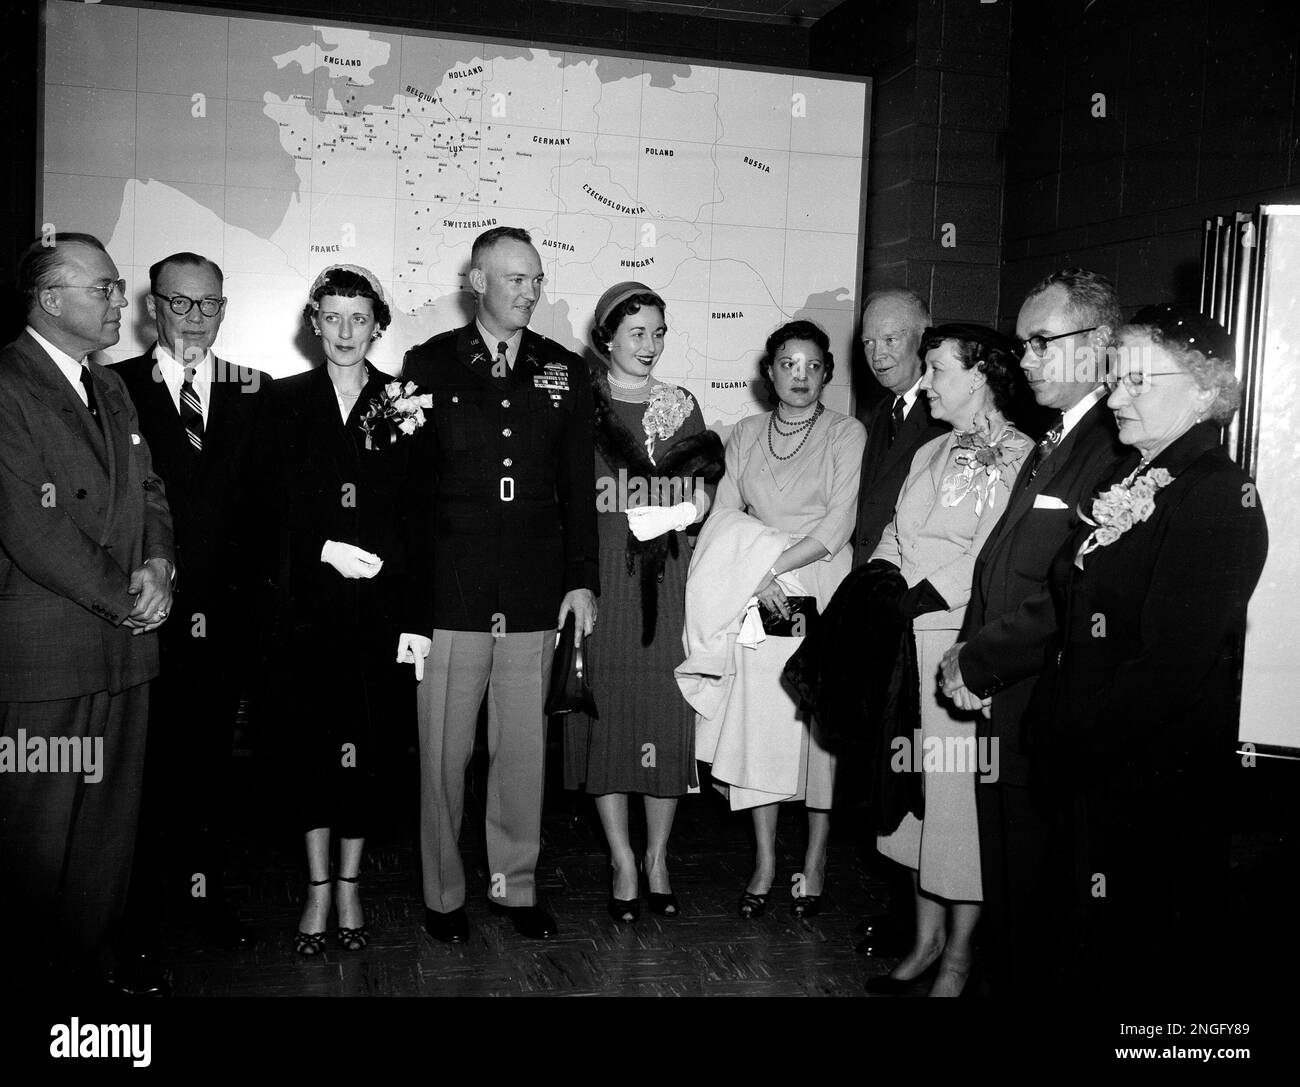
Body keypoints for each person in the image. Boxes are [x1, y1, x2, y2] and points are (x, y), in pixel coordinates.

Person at [1025, 304, 1267, 996]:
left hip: (1145, 791)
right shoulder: (1140, 477)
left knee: (1136, 968)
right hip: (1097, 777)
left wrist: (1074, 744)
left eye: (1137, 382)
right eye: (1114, 379)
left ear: (1202, 390)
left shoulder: (1218, 496)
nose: (1116, 397)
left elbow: (1168, 670)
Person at [398, 226, 599, 943]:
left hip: (532, 591)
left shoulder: (562, 370)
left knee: (520, 754)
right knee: (445, 754)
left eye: (537, 279)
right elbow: (411, 493)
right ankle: (444, 894)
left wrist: (581, 581)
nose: (530, 291)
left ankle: (515, 886)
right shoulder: (428, 363)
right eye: (515, 278)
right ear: (477, 281)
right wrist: (413, 598)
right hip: (451, 591)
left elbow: (579, 487)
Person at [936, 268, 1127, 995]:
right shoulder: (1059, 438)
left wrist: (977, 660)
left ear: (1100, 343)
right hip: (1005, 709)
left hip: (1041, 710)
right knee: (1011, 906)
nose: (1028, 358)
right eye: (1023, 345)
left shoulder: (1113, 447)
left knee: (1043, 916)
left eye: (1043, 341)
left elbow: (1069, 593)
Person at [0, 232, 175, 994]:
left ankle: (85, 977)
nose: (118, 301)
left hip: (123, 653)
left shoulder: (107, 384)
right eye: (103, 288)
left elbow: (150, 489)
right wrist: (123, 596)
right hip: (49, 660)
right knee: (37, 839)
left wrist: (162, 565)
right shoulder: (8, 384)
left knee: (106, 832)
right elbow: (31, 526)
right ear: (49, 299)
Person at [113, 252, 268, 961]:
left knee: (209, 773)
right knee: (142, 775)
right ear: (153, 307)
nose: (194, 318)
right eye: (180, 304)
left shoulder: (253, 392)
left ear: (224, 308)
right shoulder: (113, 390)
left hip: (227, 622)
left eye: (208, 305)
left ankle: (203, 902)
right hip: (143, 617)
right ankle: (135, 918)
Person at [867, 323, 1030, 998]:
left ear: (980, 374)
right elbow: (894, 532)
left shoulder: (1018, 452)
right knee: (914, 798)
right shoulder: (933, 448)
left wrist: (924, 597)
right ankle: (926, 936)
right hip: (905, 637)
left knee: (958, 803)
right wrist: (876, 584)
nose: (926, 380)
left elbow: (996, 552)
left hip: (955, 644)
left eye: (937, 369)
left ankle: (960, 954)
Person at [687, 319, 865, 920]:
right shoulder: (745, 432)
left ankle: (814, 860)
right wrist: (752, 572)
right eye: (789, 364)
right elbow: (727, 512)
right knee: (761, 727)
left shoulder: (847, 433)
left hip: (816, 583)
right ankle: (763, 859)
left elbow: (837, 525)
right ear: (770, 371)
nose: (801, 377)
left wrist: (770, 567)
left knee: (815, 729)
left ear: (826, 375)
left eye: (814, 366)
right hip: (760, 590)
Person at [563, 282, 724, 922]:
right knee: (608, 721)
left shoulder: (680, 405)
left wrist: (687, 509)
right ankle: (622, 860)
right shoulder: (580, 402)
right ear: (607, 337)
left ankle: (658, 856)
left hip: (668, 582)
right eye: (637, 332)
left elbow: (705, 484)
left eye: (659, 331)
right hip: (601, 580)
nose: (650, 345)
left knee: (664, 717)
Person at [262, 265, 411, 954]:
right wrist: (321, 547)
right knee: (309, 751)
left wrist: (416, 621)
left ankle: (351, 883)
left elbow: (420, 519)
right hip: (308, 615)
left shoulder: (406, 402)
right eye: (334, 317)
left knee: (368, 752)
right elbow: (261, 510)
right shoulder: (281, 401)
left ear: (377, 323)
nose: (347, 331)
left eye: (360, 318)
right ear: (314, 322)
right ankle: (318, 887)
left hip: (379, 616)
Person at [851, 288, 948, 958]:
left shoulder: (947, 422)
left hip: (919, 618)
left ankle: (922, 924)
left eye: (892, 339)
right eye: (869, 341)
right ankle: (900, 906)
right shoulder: (878, 413)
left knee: (912, 771)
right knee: (884, 764)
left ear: (922, 339)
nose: (879, 352)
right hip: (875, 605)